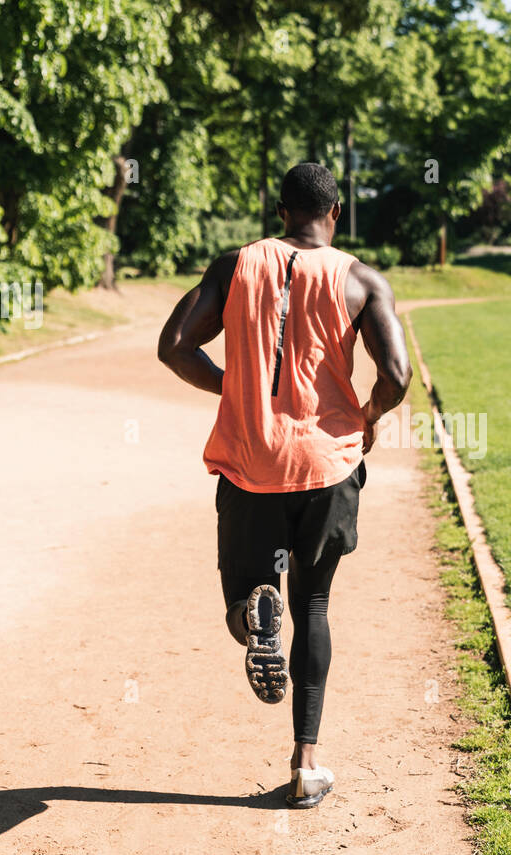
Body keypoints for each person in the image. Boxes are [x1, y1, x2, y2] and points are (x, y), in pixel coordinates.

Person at [157, 163, 411, 808]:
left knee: (247, 602)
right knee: (314, 607)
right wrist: (369, 416)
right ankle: (306, 763)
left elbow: (175, 346)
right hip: (327, 464)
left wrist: (236, 389)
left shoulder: (235, 265)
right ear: (337, 211)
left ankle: (250, 615)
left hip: (251, 464)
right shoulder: (361, 279)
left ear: (279, 212)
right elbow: (398, 375)